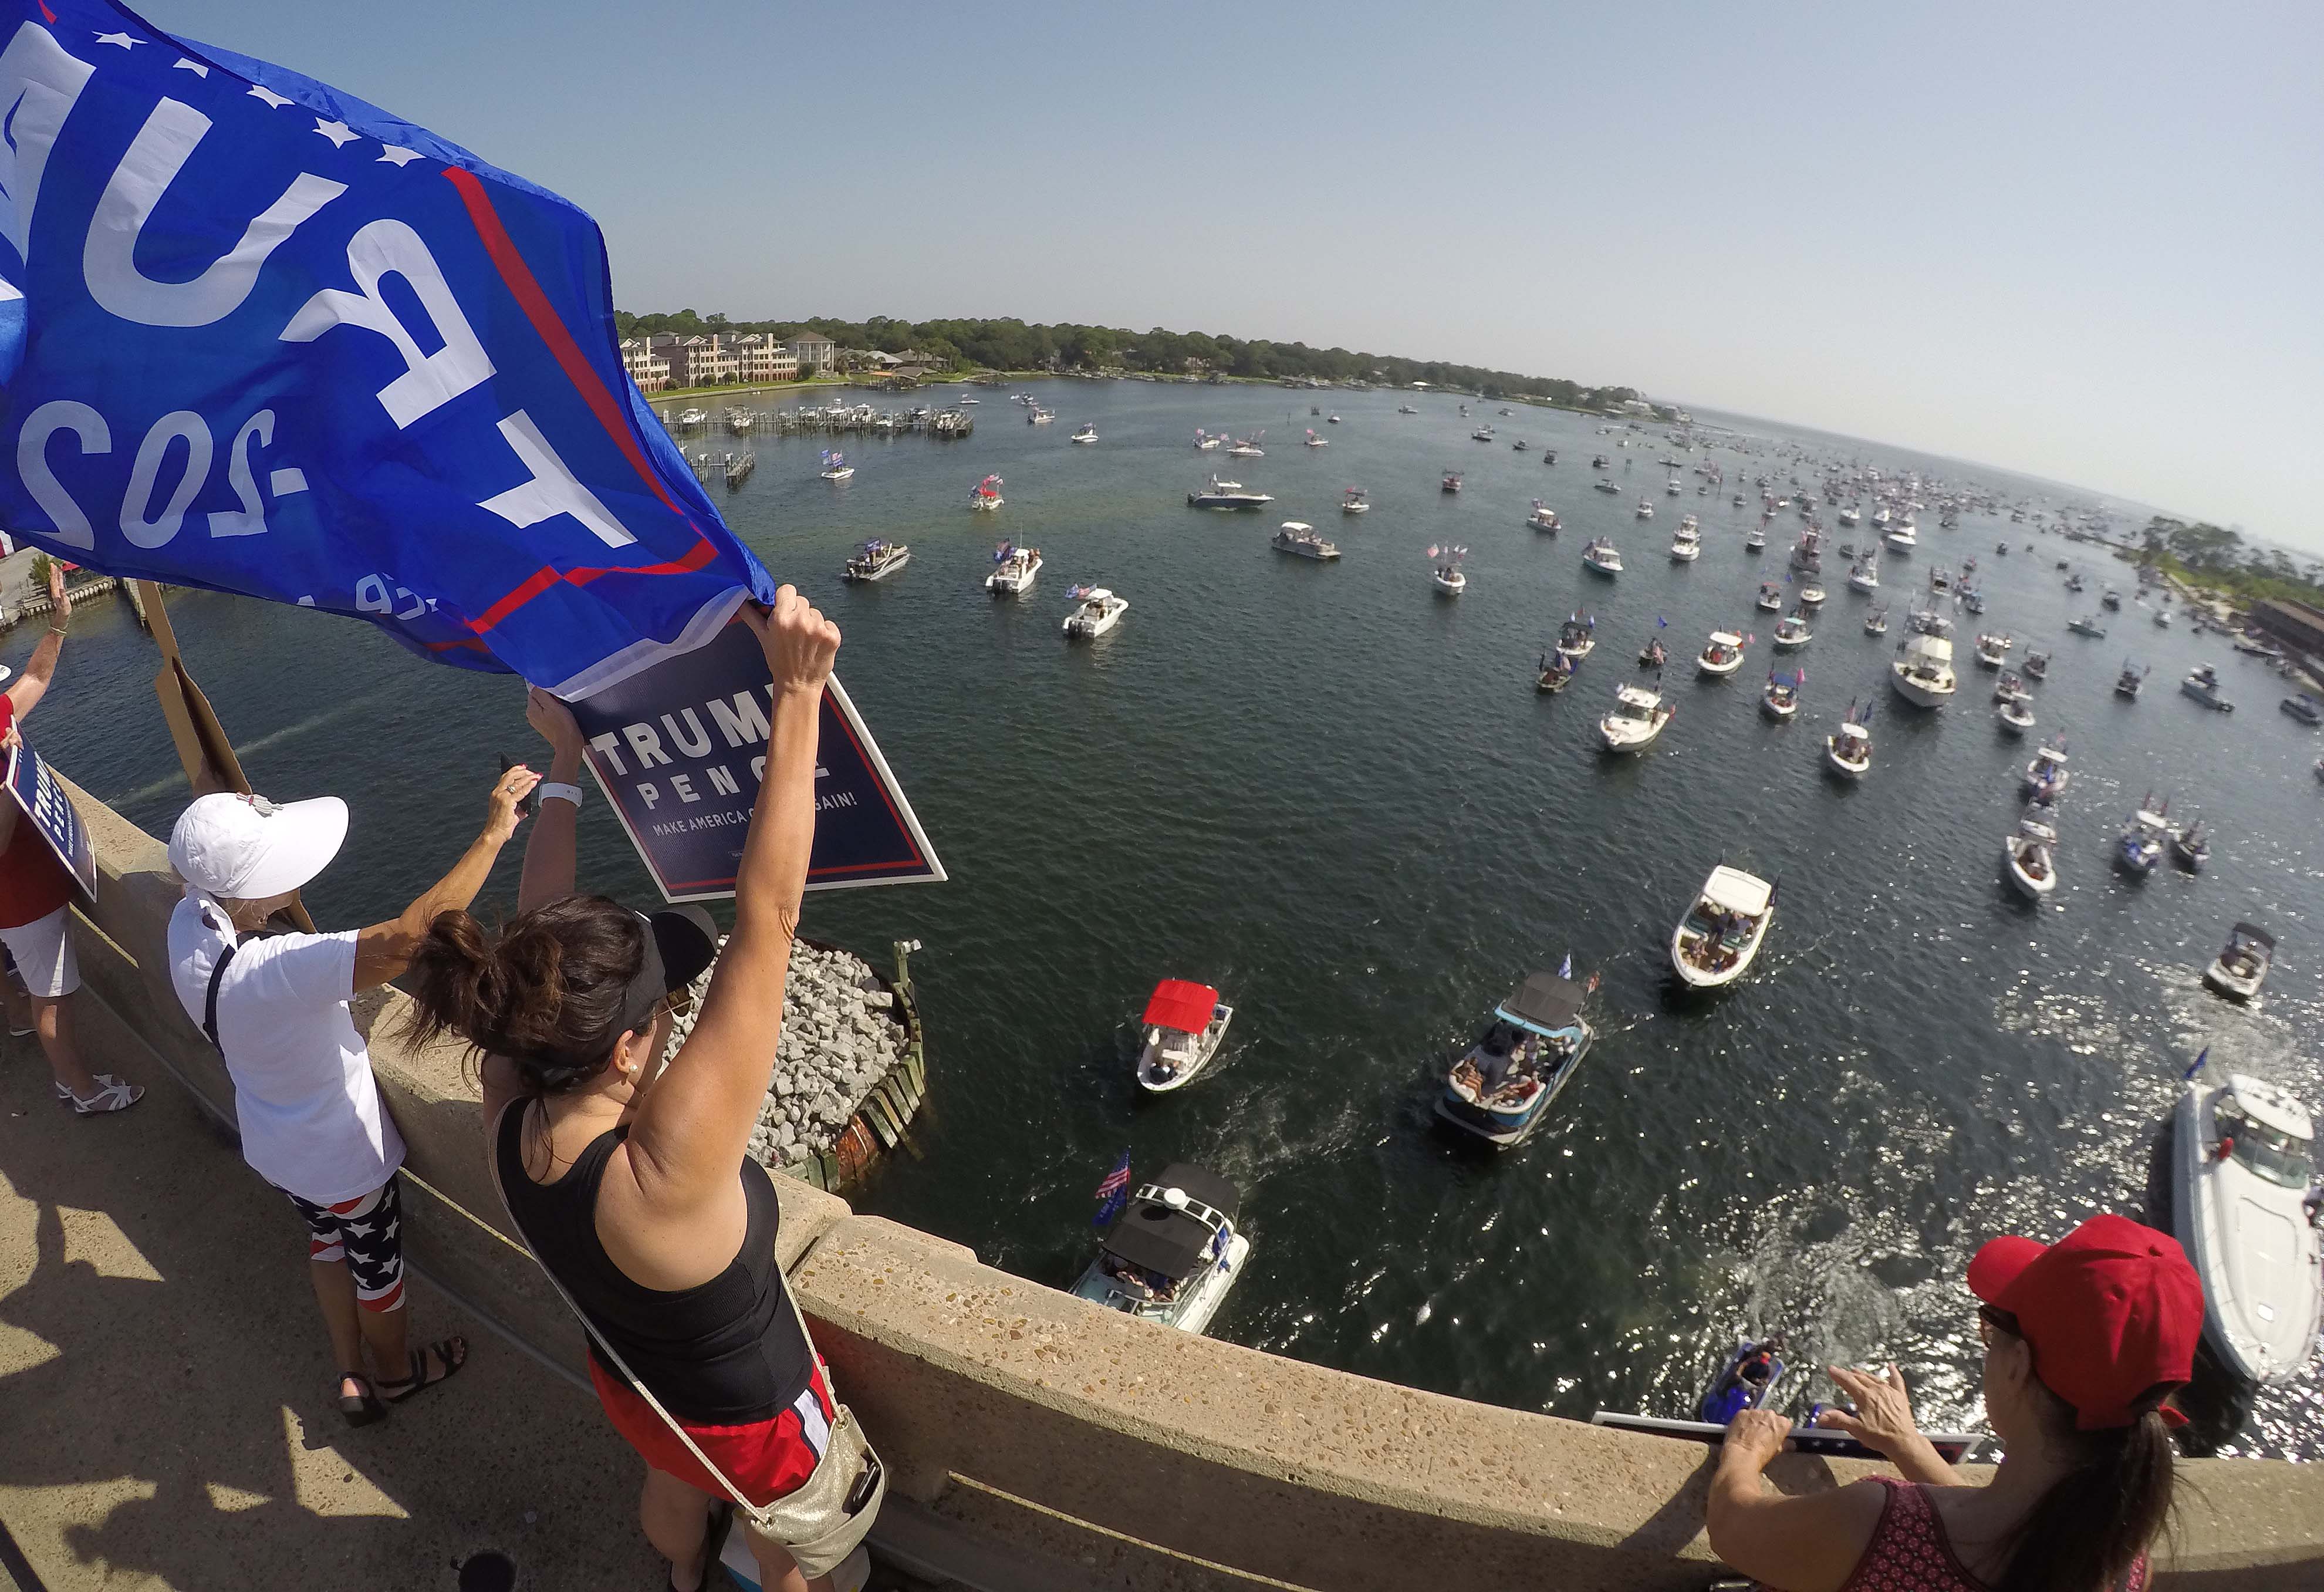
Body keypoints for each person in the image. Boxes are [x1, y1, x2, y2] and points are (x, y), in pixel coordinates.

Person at [405, 590, 874, 1592]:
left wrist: (568, 769)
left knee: (670, 1479)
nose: (673, 1015)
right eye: (665, 1005)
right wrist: (797, 692)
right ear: (624, 1052)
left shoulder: (509, 1099)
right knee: (794, 1547)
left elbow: (536, 939)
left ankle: (680, 1575)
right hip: (747, 1413)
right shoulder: (665, 1169)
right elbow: (769, 918)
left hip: (634, 1383)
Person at [166, 763, 540, 1424]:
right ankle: (394, 1376)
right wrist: (493, 835)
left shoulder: (187, 927)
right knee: (379, 1272)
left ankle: (349, 1369)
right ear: (252, 893)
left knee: (326, 1244)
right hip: (341, 1158)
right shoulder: (276, 971)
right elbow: (410, 937)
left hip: (278, 1149)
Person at [1708, 1213, 2194, 1592]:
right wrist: (1909, 1446)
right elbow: (1994, 1534)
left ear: (2017, 1363)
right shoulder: (2124, 1561)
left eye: (1992, 1329)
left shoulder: (1882, 1526)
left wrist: (1744, 1453)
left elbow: (1732, 1529)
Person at [0, 566, 141, 1114]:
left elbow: (31, 682)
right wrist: (12, 771)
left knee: (23, 981)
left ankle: (13, 1017)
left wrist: (59, 625)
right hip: (22, 901)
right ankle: (80, 1090)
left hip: (19, 901)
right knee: (53, 994)